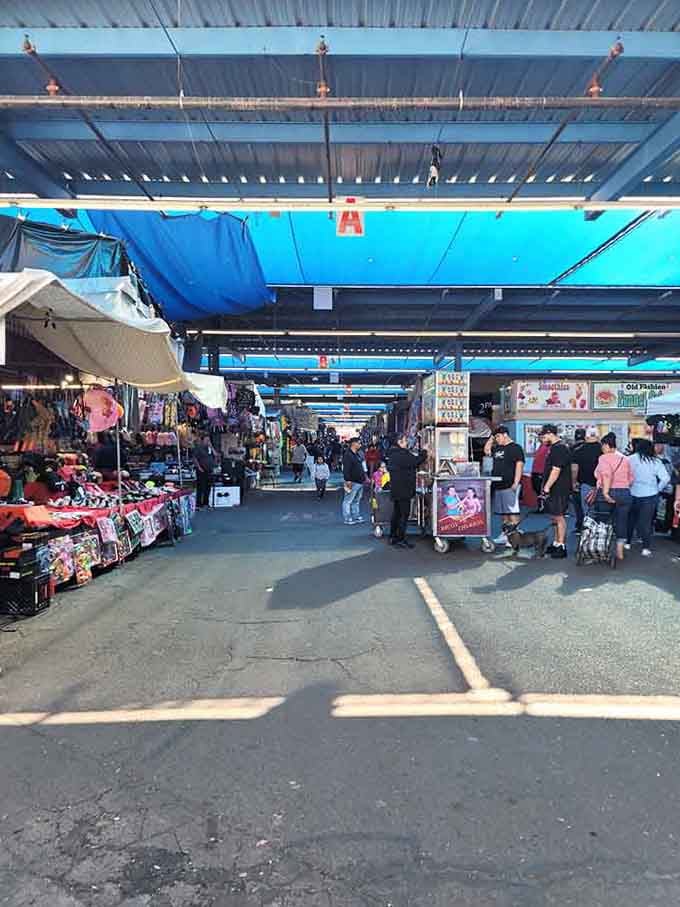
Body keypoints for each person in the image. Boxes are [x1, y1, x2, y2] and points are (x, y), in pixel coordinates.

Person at [626, 438, 670, 557]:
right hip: (650, 495)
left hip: (632, 493)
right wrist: (658, 488)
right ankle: (645, 548)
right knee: (646, 522)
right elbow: (666, 478)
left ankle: (628, 542)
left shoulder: (629, 459)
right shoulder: (656, 461)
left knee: (630, 519)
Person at [594, 432, 634, 562]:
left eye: (602, 446)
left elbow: (606, 475)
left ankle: (602, 549)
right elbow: (631, 479)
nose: (601, 448)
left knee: (603, 522)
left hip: (607, 493)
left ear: (606, 445)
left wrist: (606, 493)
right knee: (622, 522)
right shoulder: (625, 458)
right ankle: (620, 551)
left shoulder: (603, 458)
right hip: (624, 493)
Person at [484, 426, 525, 547]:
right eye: (495, 437)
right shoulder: (497, 448)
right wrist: (492, 438)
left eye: (498, 437)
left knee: (512, 512)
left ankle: (515, 537)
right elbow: (486, 450)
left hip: (510, 484)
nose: (497, 440)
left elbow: (519, 465)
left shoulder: (516, 448)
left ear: (505, 434)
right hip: (498, 485)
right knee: (503, 513)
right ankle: (505, 534)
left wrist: (516, 482)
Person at [386, 434, 427, 548]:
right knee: (404, 514)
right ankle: (400, 538)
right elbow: (416, 461)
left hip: (396, 488)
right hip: (404, 489)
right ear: (399, 442)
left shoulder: (392, 454)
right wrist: (424, 451)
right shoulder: (402, 454)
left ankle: (393, 536)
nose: (407, 443)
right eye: (405, 441)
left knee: (397, 513)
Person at [538, 424, 572, 559]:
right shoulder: (553, 448)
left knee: (559, 516)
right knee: (554, 516)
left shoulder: (560, 448)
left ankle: (561, 545)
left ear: (550, 434)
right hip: (554, 488)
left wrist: (546, 487)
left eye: (544, 436)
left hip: (559, 489)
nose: (542, 439)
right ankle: (556, 543)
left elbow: (556, 470)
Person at [571, 428, 601, 533]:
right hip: (602, 485)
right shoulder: (604, 450)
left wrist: (574, 482)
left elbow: (574, 469)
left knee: (588, 511)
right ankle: (601, 533)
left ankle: (589, 534)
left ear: (586, 437)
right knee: (602, 511)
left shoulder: (578, 451)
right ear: (598, 436)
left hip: (585, 485)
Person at [342, 438, 366, 525]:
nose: (360, 445)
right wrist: (347, 480)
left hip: (359, 481)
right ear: (354, 444)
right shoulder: (348, 455)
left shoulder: (357, 454)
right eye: (359, 443)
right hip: (352, 481)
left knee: (356, 500)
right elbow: (346, 469)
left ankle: (356, 516)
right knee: (348, 500)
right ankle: (347, 517)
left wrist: (365, 477)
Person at [193, 434, 216, 510]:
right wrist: (199, 467)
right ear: (202, 440)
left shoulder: (209, 449)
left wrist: (211, 447)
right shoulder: (199, 448)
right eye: (206, 440)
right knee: (201, 488)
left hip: (209, 470)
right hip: (201, 470)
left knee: (208, 487)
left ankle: (206, 503)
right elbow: (195, 458)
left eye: (209, 440)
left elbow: (216, 455)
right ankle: (198, 504)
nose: (208, 442)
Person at [530, 439, 550, 508]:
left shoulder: (549, 447)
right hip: (535, 471)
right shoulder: (540, 446)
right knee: (536, 489)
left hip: (541, 472)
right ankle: (540, 506)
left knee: (541, 490)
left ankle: (542, 507)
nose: (540, 438)